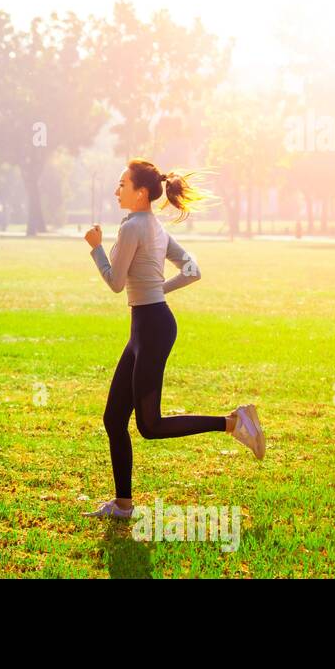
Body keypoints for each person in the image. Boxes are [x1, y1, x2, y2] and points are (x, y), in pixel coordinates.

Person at [82, 159, 266, 520]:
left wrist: (95, 247)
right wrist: (157, 291)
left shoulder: (132, 226)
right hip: (150, 324)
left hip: (150, 327)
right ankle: (123, 505)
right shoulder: (155, 227)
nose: (116, 190)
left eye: (122, 184)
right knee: (114, 418)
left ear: (141, 192)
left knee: (150, 425)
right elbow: (192, 269)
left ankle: (234, 422)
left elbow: (116, 283)